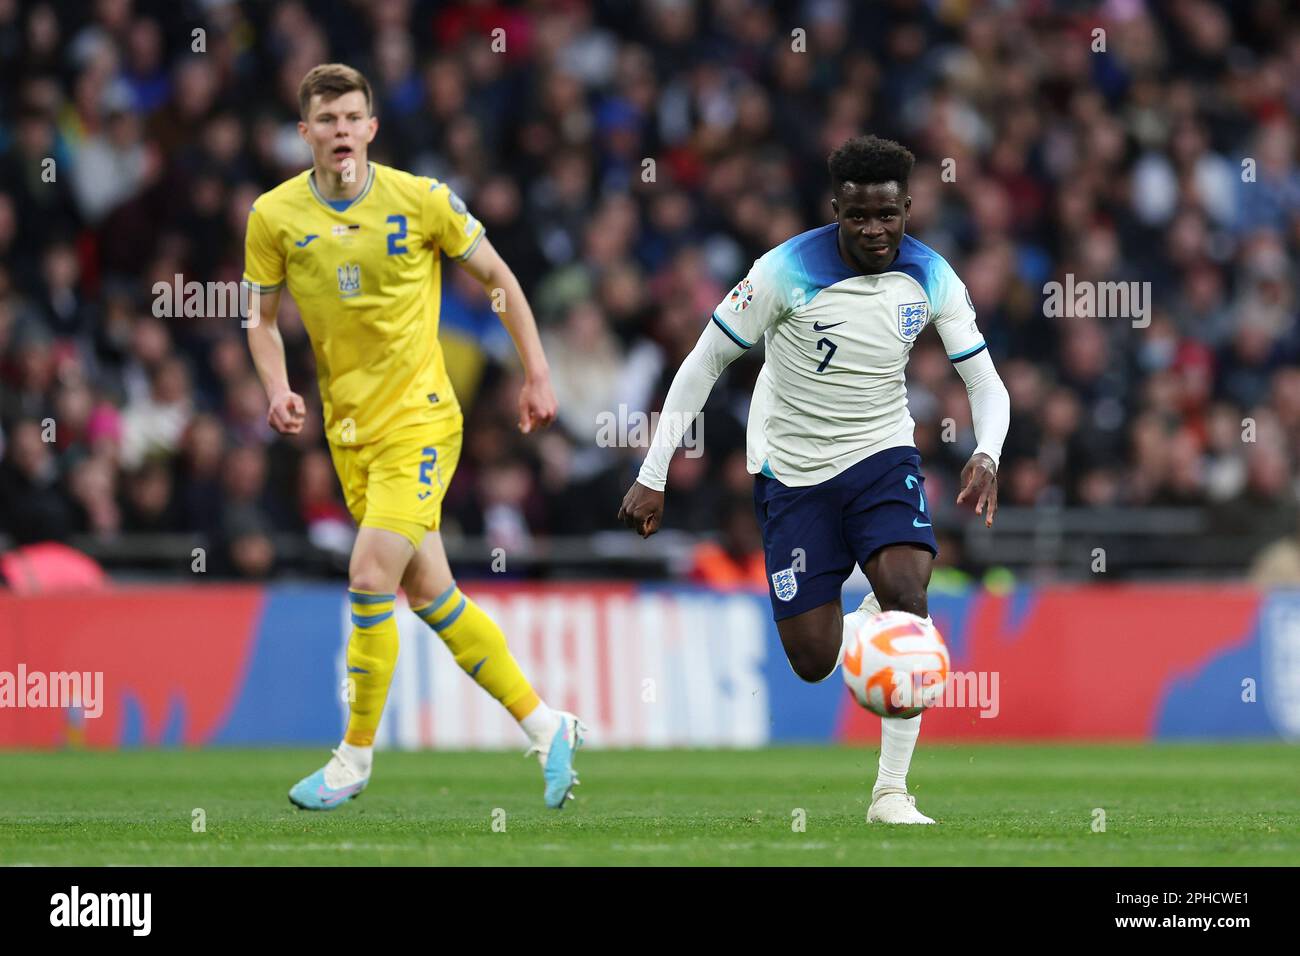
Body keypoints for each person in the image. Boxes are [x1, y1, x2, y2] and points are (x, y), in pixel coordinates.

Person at [619, 135, 1009, 824]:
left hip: (882, 454)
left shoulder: (932, 276)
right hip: (792, 472)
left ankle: (891, 792)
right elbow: (702, 363)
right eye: (858, 215)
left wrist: (989, 453)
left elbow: (985, 382)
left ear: (908, 208)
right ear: (837, 209)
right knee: (812, 658)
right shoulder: (784, 271)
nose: (873, 230)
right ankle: (868, 631)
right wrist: (654, 473)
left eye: (887, 215)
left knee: (909, 593)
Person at [243, 64, 583, 811]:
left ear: (371, 128)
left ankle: (353, 758)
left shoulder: (422, 199)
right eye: (325, 120)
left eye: (352, 117)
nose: (340, 131)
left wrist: (536, 373)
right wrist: (277, 389)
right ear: (305, 133)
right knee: (431, 594)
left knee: (369, 575)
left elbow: (498, 277)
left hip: (423, 420)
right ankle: (546, 723)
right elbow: (259, 322)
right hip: (347, 433)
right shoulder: (272, 216)